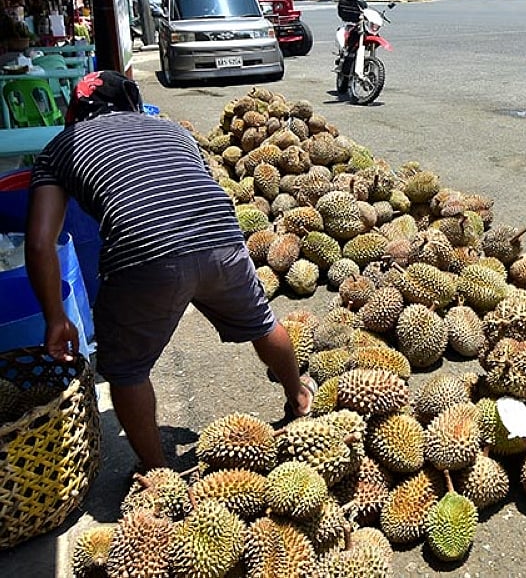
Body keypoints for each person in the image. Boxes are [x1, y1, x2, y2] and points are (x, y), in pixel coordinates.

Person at [25, 71, 313, 472]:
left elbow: (40, 242)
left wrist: (56, 318)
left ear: (76, 112)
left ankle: (158, 471)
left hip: (144, 252)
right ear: (133, 104)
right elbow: (193, 186)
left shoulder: (60, 148)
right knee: (263, 324)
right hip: (220, 235)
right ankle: (299, 397)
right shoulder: (172, 130)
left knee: (125, 369)